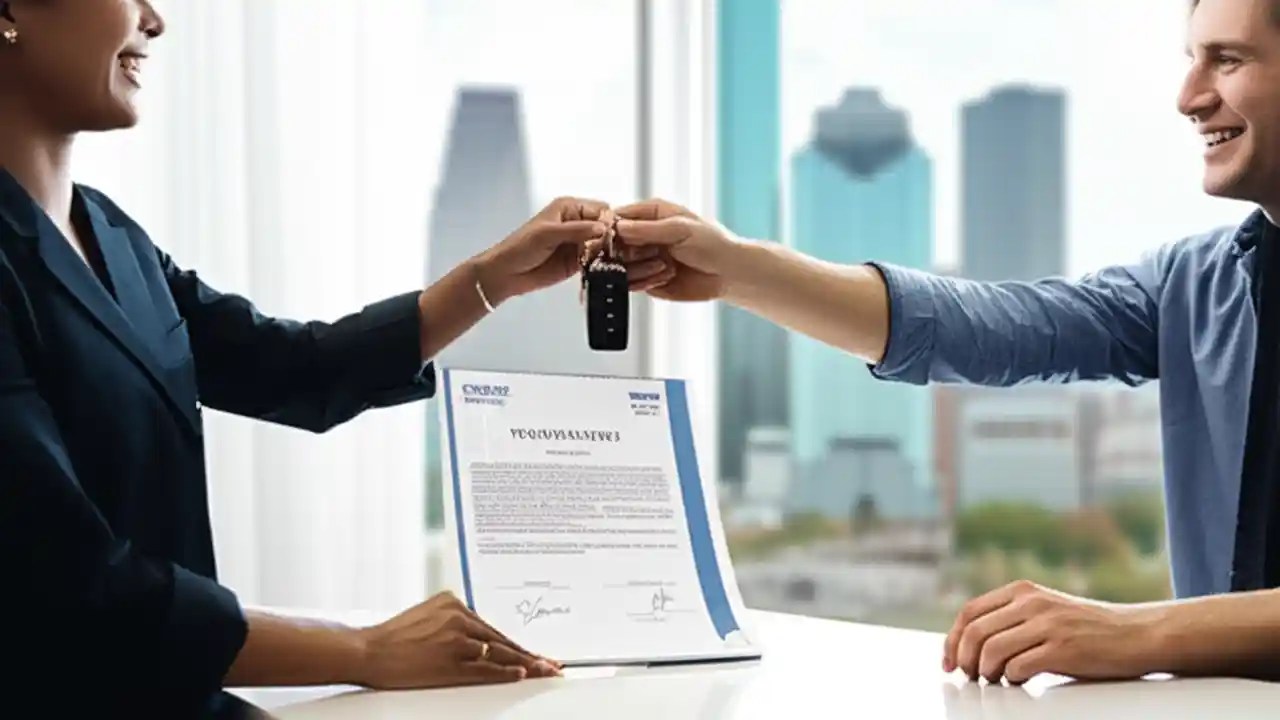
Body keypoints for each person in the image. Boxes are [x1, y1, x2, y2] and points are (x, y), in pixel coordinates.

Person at [0, 0, 670, 713]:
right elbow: (73, 588)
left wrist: (496, 276)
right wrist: (363, 649)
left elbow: (296, 369)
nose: (154, 19)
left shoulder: (113, 235)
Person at [613, 0, 1280, 687]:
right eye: (1191, 60)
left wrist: (1138, 631)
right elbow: (998, 329)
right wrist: (737, 269)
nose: (1189, 98)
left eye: (1227, 60)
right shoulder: (1197, 283)